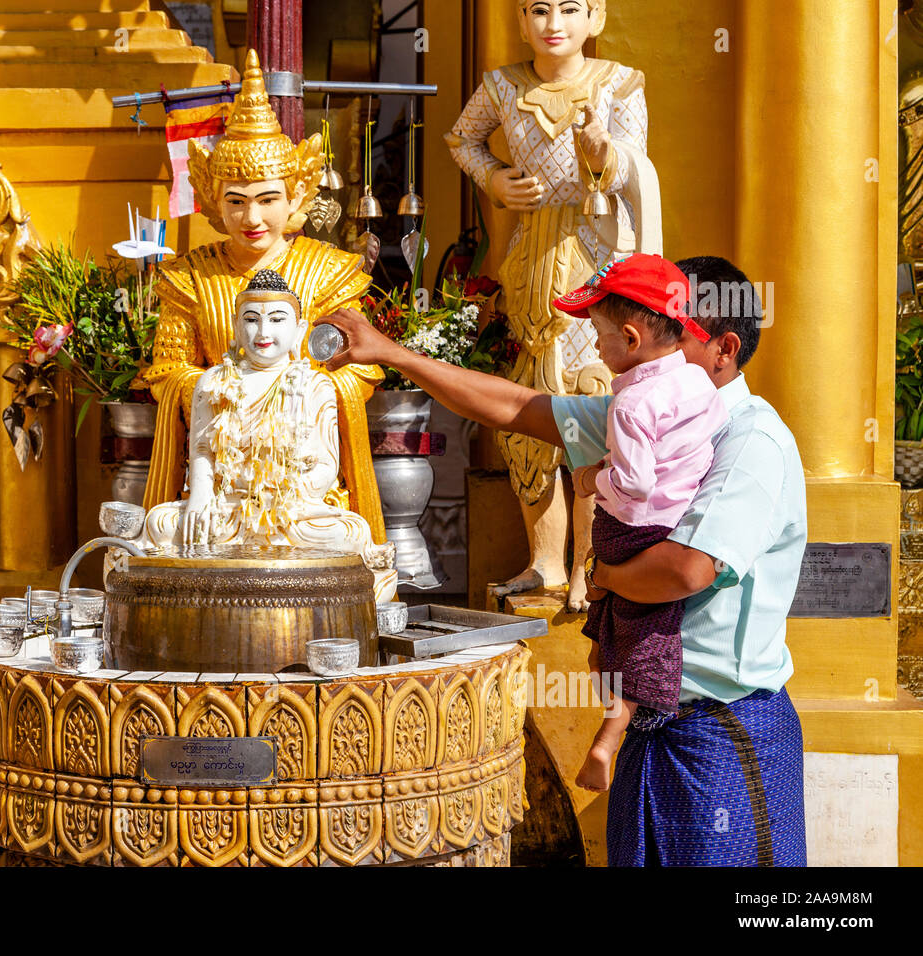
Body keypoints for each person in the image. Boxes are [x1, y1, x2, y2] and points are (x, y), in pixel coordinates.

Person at [319, 255, 807, 866]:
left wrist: (600, 575)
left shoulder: (750, 440)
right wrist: (396, 355)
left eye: (674, 331)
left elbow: (686, 570)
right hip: (653, 726)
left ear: (722, 349)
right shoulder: (653, 407)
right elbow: (519, 407)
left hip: (721, 730)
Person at [446, 0, 658, 609]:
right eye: (538, 9)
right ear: (521, 21)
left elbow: (632, 169)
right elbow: (462, 140)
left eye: (570, 8)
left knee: (594, 407)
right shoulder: (501, 86)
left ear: (597, 18)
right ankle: (543, 560)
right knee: (527, 416)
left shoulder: (619, 84)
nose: (554, 23)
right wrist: (494, 180)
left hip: (596, 261)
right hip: (529, 260)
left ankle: (592, 564)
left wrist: (600, 151)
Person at [141, 50, 386, 546]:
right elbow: (168, 373)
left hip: (298, 474)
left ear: (296, 195)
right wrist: (227, 390)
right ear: (212, 198)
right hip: (221, 474)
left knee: (340, 533)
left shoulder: (329, 272)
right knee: (162, 529)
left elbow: (358, 368)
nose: (251, 218)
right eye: (235, 200)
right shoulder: (190, 278)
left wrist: (298, 393)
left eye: (268, 199)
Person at [548, 255, 727, 793]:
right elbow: (707, 434)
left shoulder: (631, 403)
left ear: (629, 337)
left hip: (629, 530)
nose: (596, 348)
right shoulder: (696, 381)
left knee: (633, 638)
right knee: (629, 631)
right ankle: (611, 726)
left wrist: (588, 481)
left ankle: (608, 735)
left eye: (599, 336)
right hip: (667, 527)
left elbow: (634, 484)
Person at [139, 270, 398, 601]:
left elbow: (326, 463)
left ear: (299, 330)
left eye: (277, 320)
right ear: (235, 326)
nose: (263, 331)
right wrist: (202, 495)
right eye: (251, 319)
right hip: (226, 508)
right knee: (159, 524)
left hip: (289, 514)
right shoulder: (213, 382)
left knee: (351, 532)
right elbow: (202, 448)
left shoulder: (313, 385)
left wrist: (286, 493)